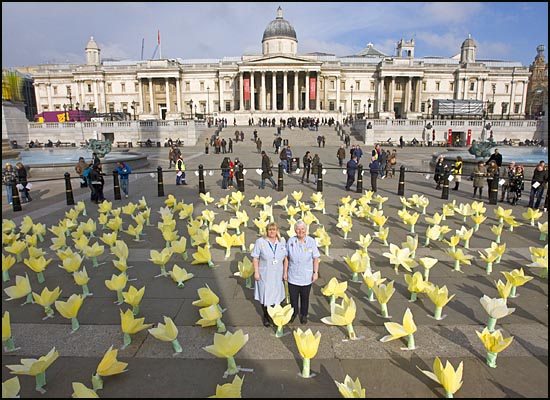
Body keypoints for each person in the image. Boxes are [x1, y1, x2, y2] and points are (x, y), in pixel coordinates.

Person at [284, 220, 321, 324]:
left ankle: (304, 315)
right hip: (293, 275)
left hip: (306, 275)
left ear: (306, 230)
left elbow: (315, 258)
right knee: (293, 297)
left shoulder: (311, 241)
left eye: (302, 229)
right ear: (295, 230)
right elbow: (286, 257)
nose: (300, 231)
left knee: (305, 297)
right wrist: (285, 272)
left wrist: (315, 272)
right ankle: (294, 313)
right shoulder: (291, 241)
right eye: (298, 229)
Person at [251, 222, 287, 327]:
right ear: (266, 231)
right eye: (270, 230)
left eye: (274, 230)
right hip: (265, 273)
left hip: (277, 273)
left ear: (277, 231)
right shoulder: (260, 242)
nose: (272, 232)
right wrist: (256, 272)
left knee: (277, 294)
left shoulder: (282, 241)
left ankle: (275, 315)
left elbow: (286, 258)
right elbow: (255, 258)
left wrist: (285, 272)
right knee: (265, 294)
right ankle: (266, 315)